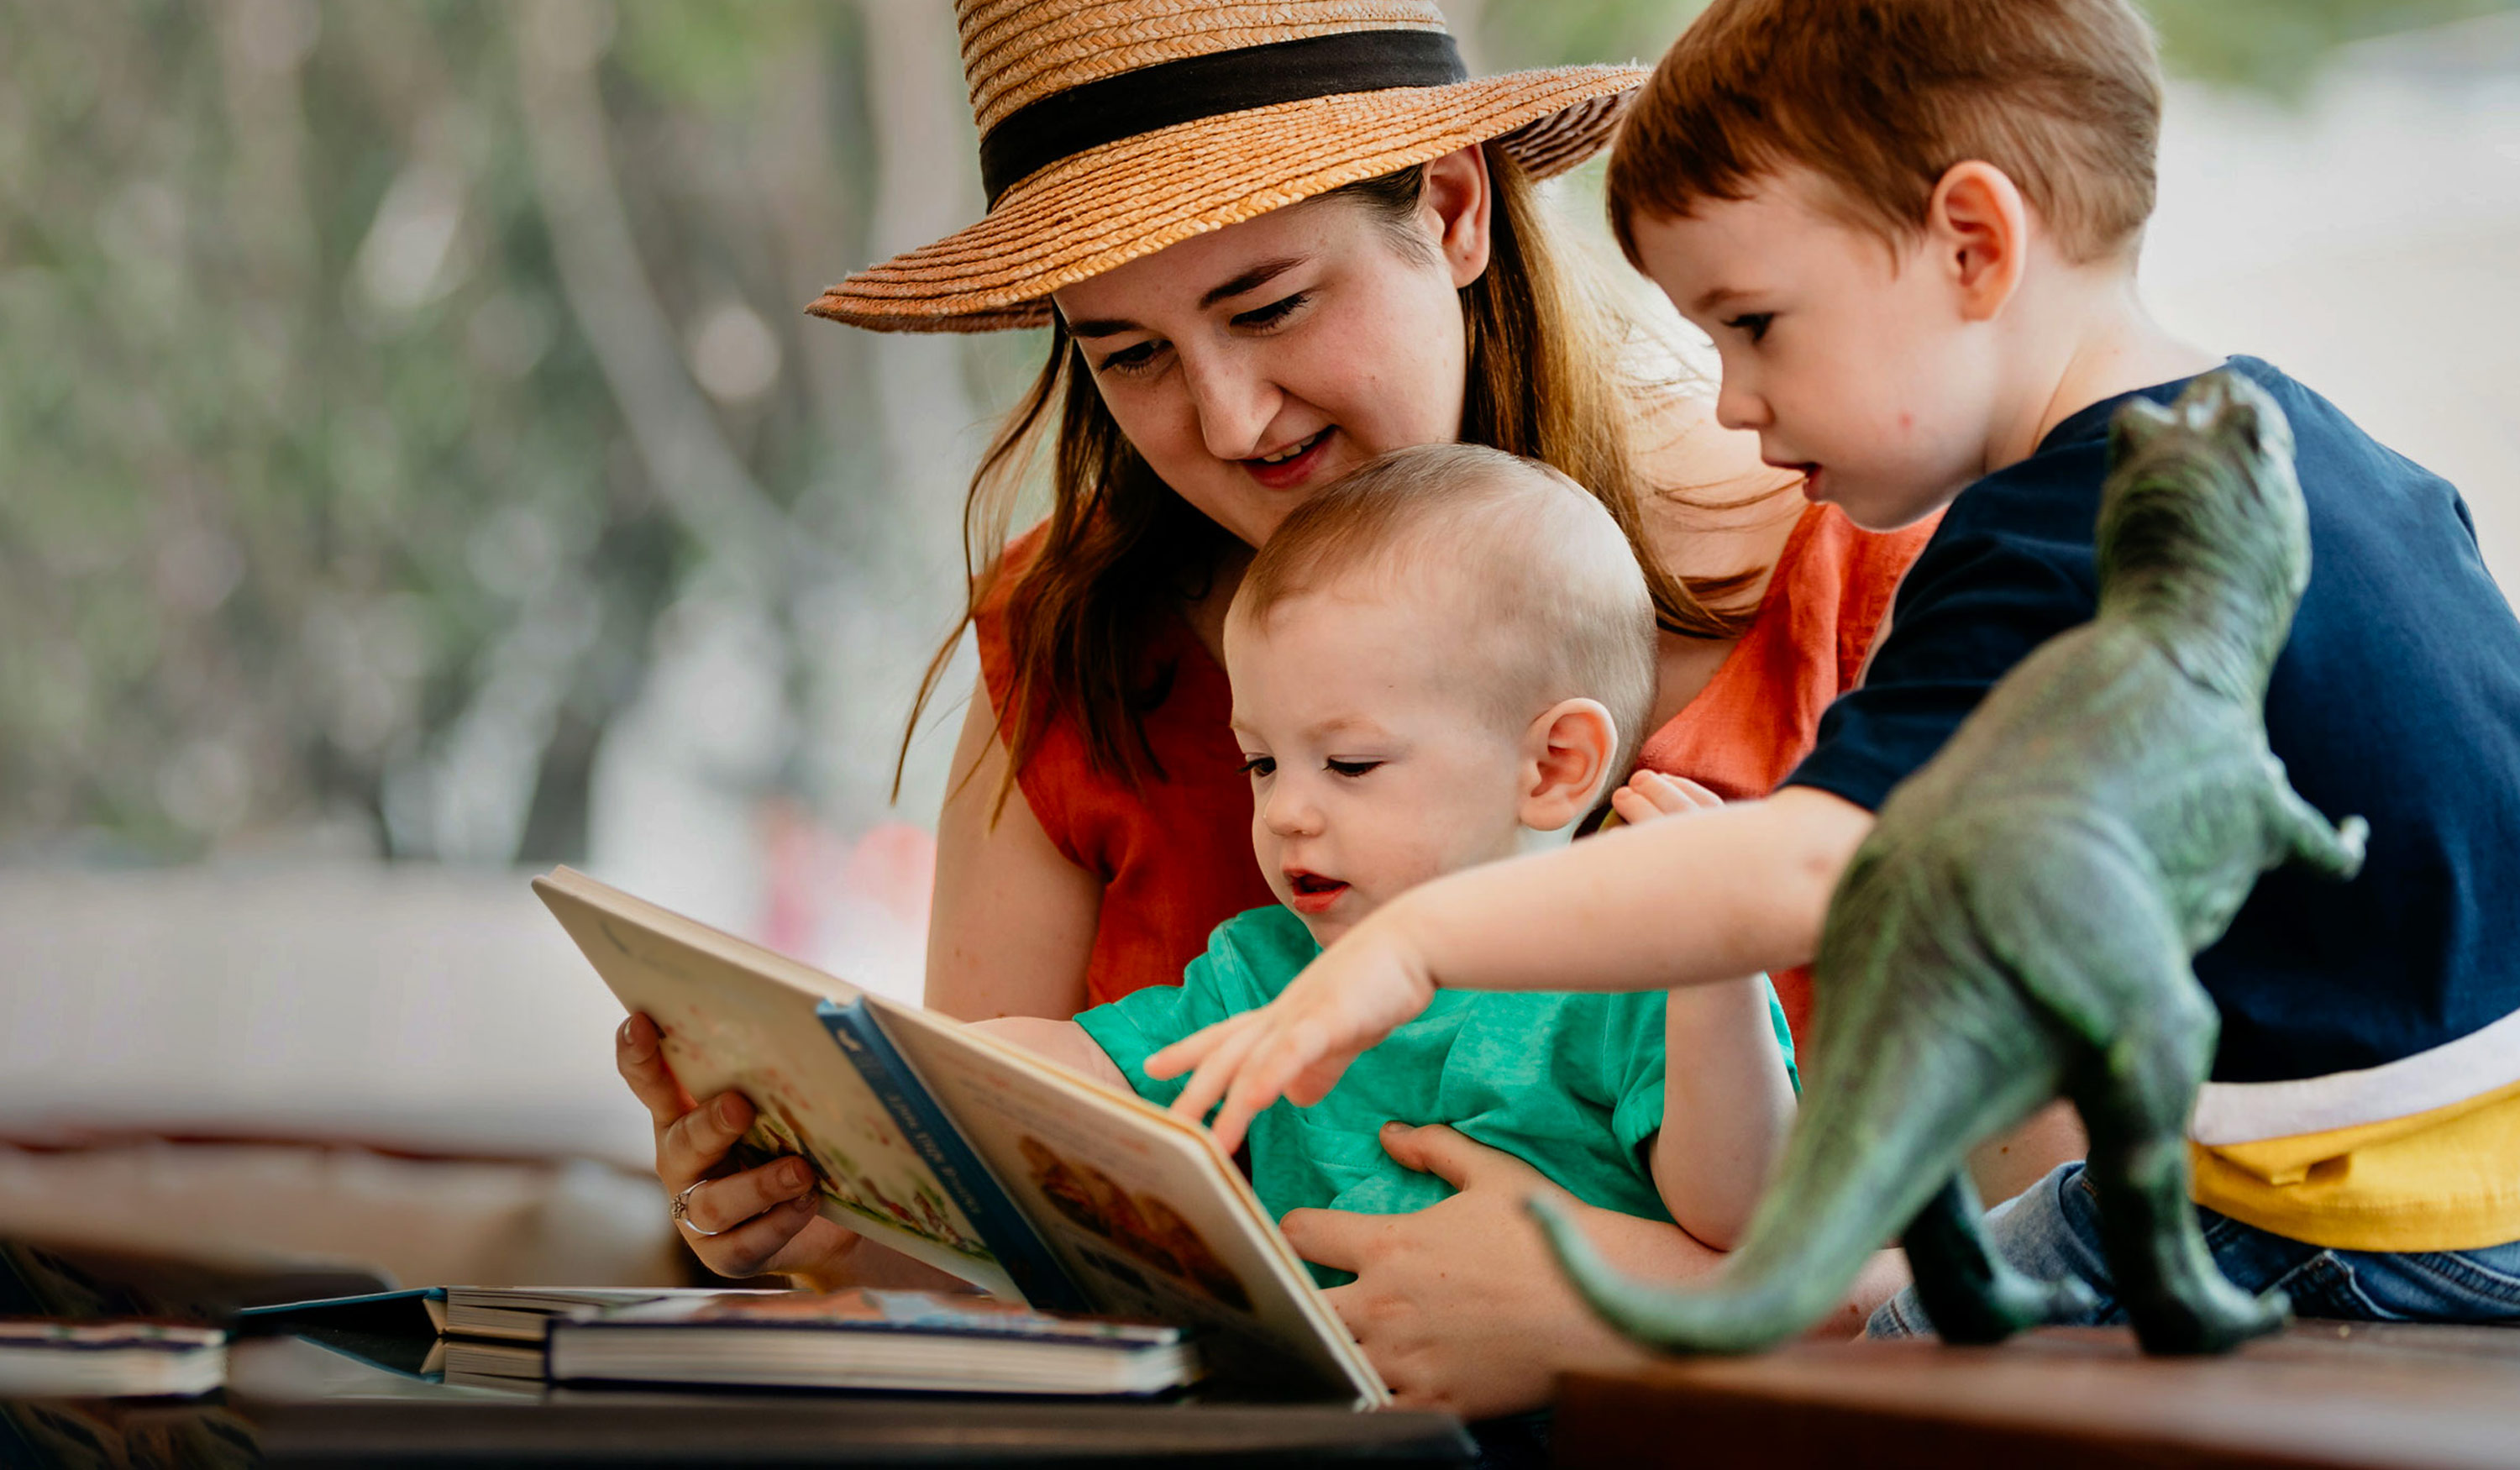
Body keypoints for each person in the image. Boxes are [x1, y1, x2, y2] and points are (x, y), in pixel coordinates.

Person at [615, 0, 1932, 1415]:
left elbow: (2066, 1248)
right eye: (1128, 354)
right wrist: (830, 1203)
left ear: (1452, 206)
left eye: (1268, 306)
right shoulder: (1073, 651)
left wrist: (1661, 1309)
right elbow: (1025, 1198)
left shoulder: (1879, 587)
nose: (1233, 420)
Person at [1150, 0, 2520, 1333]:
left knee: (1895, 1375)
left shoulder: (2063, 537)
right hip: (2434, 1177)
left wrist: (1415, 939)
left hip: (2366, 1233)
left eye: (1754, 326)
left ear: (1974, 246)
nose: (1737, 402)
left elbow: (1812, 868)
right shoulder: (2293, 443)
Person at [970, 445, 1798, 1269]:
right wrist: (918, 1072)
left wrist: (1714, 964)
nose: (1286, 811)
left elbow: (1745, 1213)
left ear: (1553, 766)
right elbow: (1092, 1073)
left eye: (1349, 764)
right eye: (1261, 763)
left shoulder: (1647, 976)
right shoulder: (1261, 974)